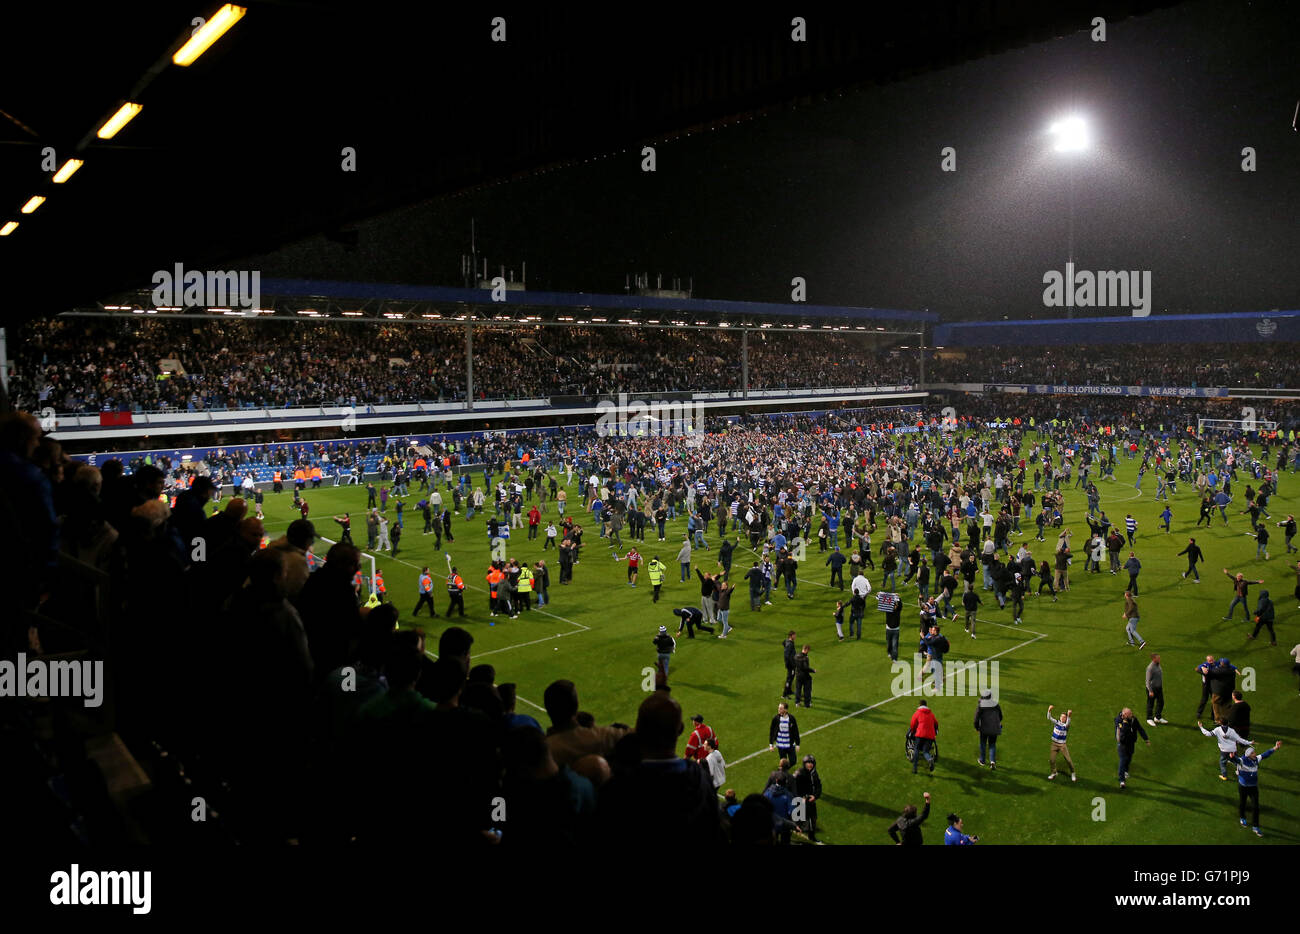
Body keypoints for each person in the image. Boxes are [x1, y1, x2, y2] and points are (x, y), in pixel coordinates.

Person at [1233, 741, 1282, 837]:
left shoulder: (1255, 759)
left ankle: (1255, 827)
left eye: (1254, 752)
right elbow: (1235, 760)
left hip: (1253, 787)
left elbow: (1265, 755)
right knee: (1243, 803)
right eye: (1252, 753)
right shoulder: (1242, 761)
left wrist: (1275, 748)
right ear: (1247, 755)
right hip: (1243, 787)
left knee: (1256, 807)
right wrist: (1231, 756)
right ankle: (1242, 817)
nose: (1255, 754)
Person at [1114, 707, 1150, 789]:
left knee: (1129, 758)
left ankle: (1126, 771)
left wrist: (1146, 739)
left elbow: (1140, 729)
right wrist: (1125, 723)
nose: (1132, 714)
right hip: (1122, 744)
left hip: (1131, 743)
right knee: (1123, 760)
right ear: (1125, 715)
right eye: (1130, 714)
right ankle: (1121, 780)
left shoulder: (1133, 719)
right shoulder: (1119, 721)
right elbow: (1121, 733)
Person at [794, 754, 823, 843]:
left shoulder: (814, 773)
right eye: (808, 763)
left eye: (811, 763)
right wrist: (800, 797)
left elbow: (818, 786)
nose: (810, 765)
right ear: (804, 764)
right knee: (799, 820)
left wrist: (815, 796)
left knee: (813, 818)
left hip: (810, 799)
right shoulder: (799, 773)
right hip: (800, 800)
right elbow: (792, 786)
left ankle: (812, 836)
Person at [1046, 704, 1077, 781]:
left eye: (1064, 717)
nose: (1062, 718)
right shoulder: (1057, 722)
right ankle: (1054, 773)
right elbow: (1049, 717)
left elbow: (1068, 723)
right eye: (1061, 716)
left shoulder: (1066, 726)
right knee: (1052, 760)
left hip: (1062, 745)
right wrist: (1049, 710)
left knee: (1068, 760)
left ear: (1066, 719)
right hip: (1054, 744)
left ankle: (1073, 773)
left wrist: (1069, 716)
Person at [974, 688, 1002, 770]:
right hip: (995, 727)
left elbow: (976, 718)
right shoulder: (996, 704)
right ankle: (992, 761)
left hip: (984, 727)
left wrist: (976, 727)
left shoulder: (981, 705)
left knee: (983, 743)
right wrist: (998, 722)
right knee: (992, 744)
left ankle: (982, 760)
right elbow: (1000, 716)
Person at [909, 699, 938, 774]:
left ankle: (915, 768)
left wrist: (913, 731)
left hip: (920, 735)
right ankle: (929, 759)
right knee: (925, 751)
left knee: (917, 750)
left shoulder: (917, 713)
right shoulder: (931, 714)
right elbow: (936, 723)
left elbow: (912, 724)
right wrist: (935, 731)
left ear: (919, 705)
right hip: (930, 736)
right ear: (926, 705)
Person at [1144, 654, 1166, 726]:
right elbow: (1147, 681)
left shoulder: (1158, 665)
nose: (1160, 659)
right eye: (1158, 658)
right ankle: (1149, 719)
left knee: (1161, 702)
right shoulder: (1150, 668)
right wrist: (1150, 691)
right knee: (1151, 704)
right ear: (1154, 659)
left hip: (1159, 688)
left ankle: (1157, 717)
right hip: (1152, 689)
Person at [793, 644, 815, 708]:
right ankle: (807, 704)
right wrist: (813, 670)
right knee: (807, 690)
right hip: (805, 676)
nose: (808, 652)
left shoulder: (796, 655)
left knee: (798, 689)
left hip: (798, 675)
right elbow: (805, 668)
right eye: (808, 650)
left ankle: (797, 703)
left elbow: (794, 664)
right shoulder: (805, 658)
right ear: (806, 649)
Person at [782, 631, 797, 698]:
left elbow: (783, 642)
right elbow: (786, 656)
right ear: (791, 636)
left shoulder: (787, 641)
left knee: (792, 677)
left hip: (791, 664)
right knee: (789, 679)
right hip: (790, 665)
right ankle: (784, 694)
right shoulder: (790, 644)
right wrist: (791, 664)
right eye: (794, 635)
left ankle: (789, 690)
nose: (795, 636)